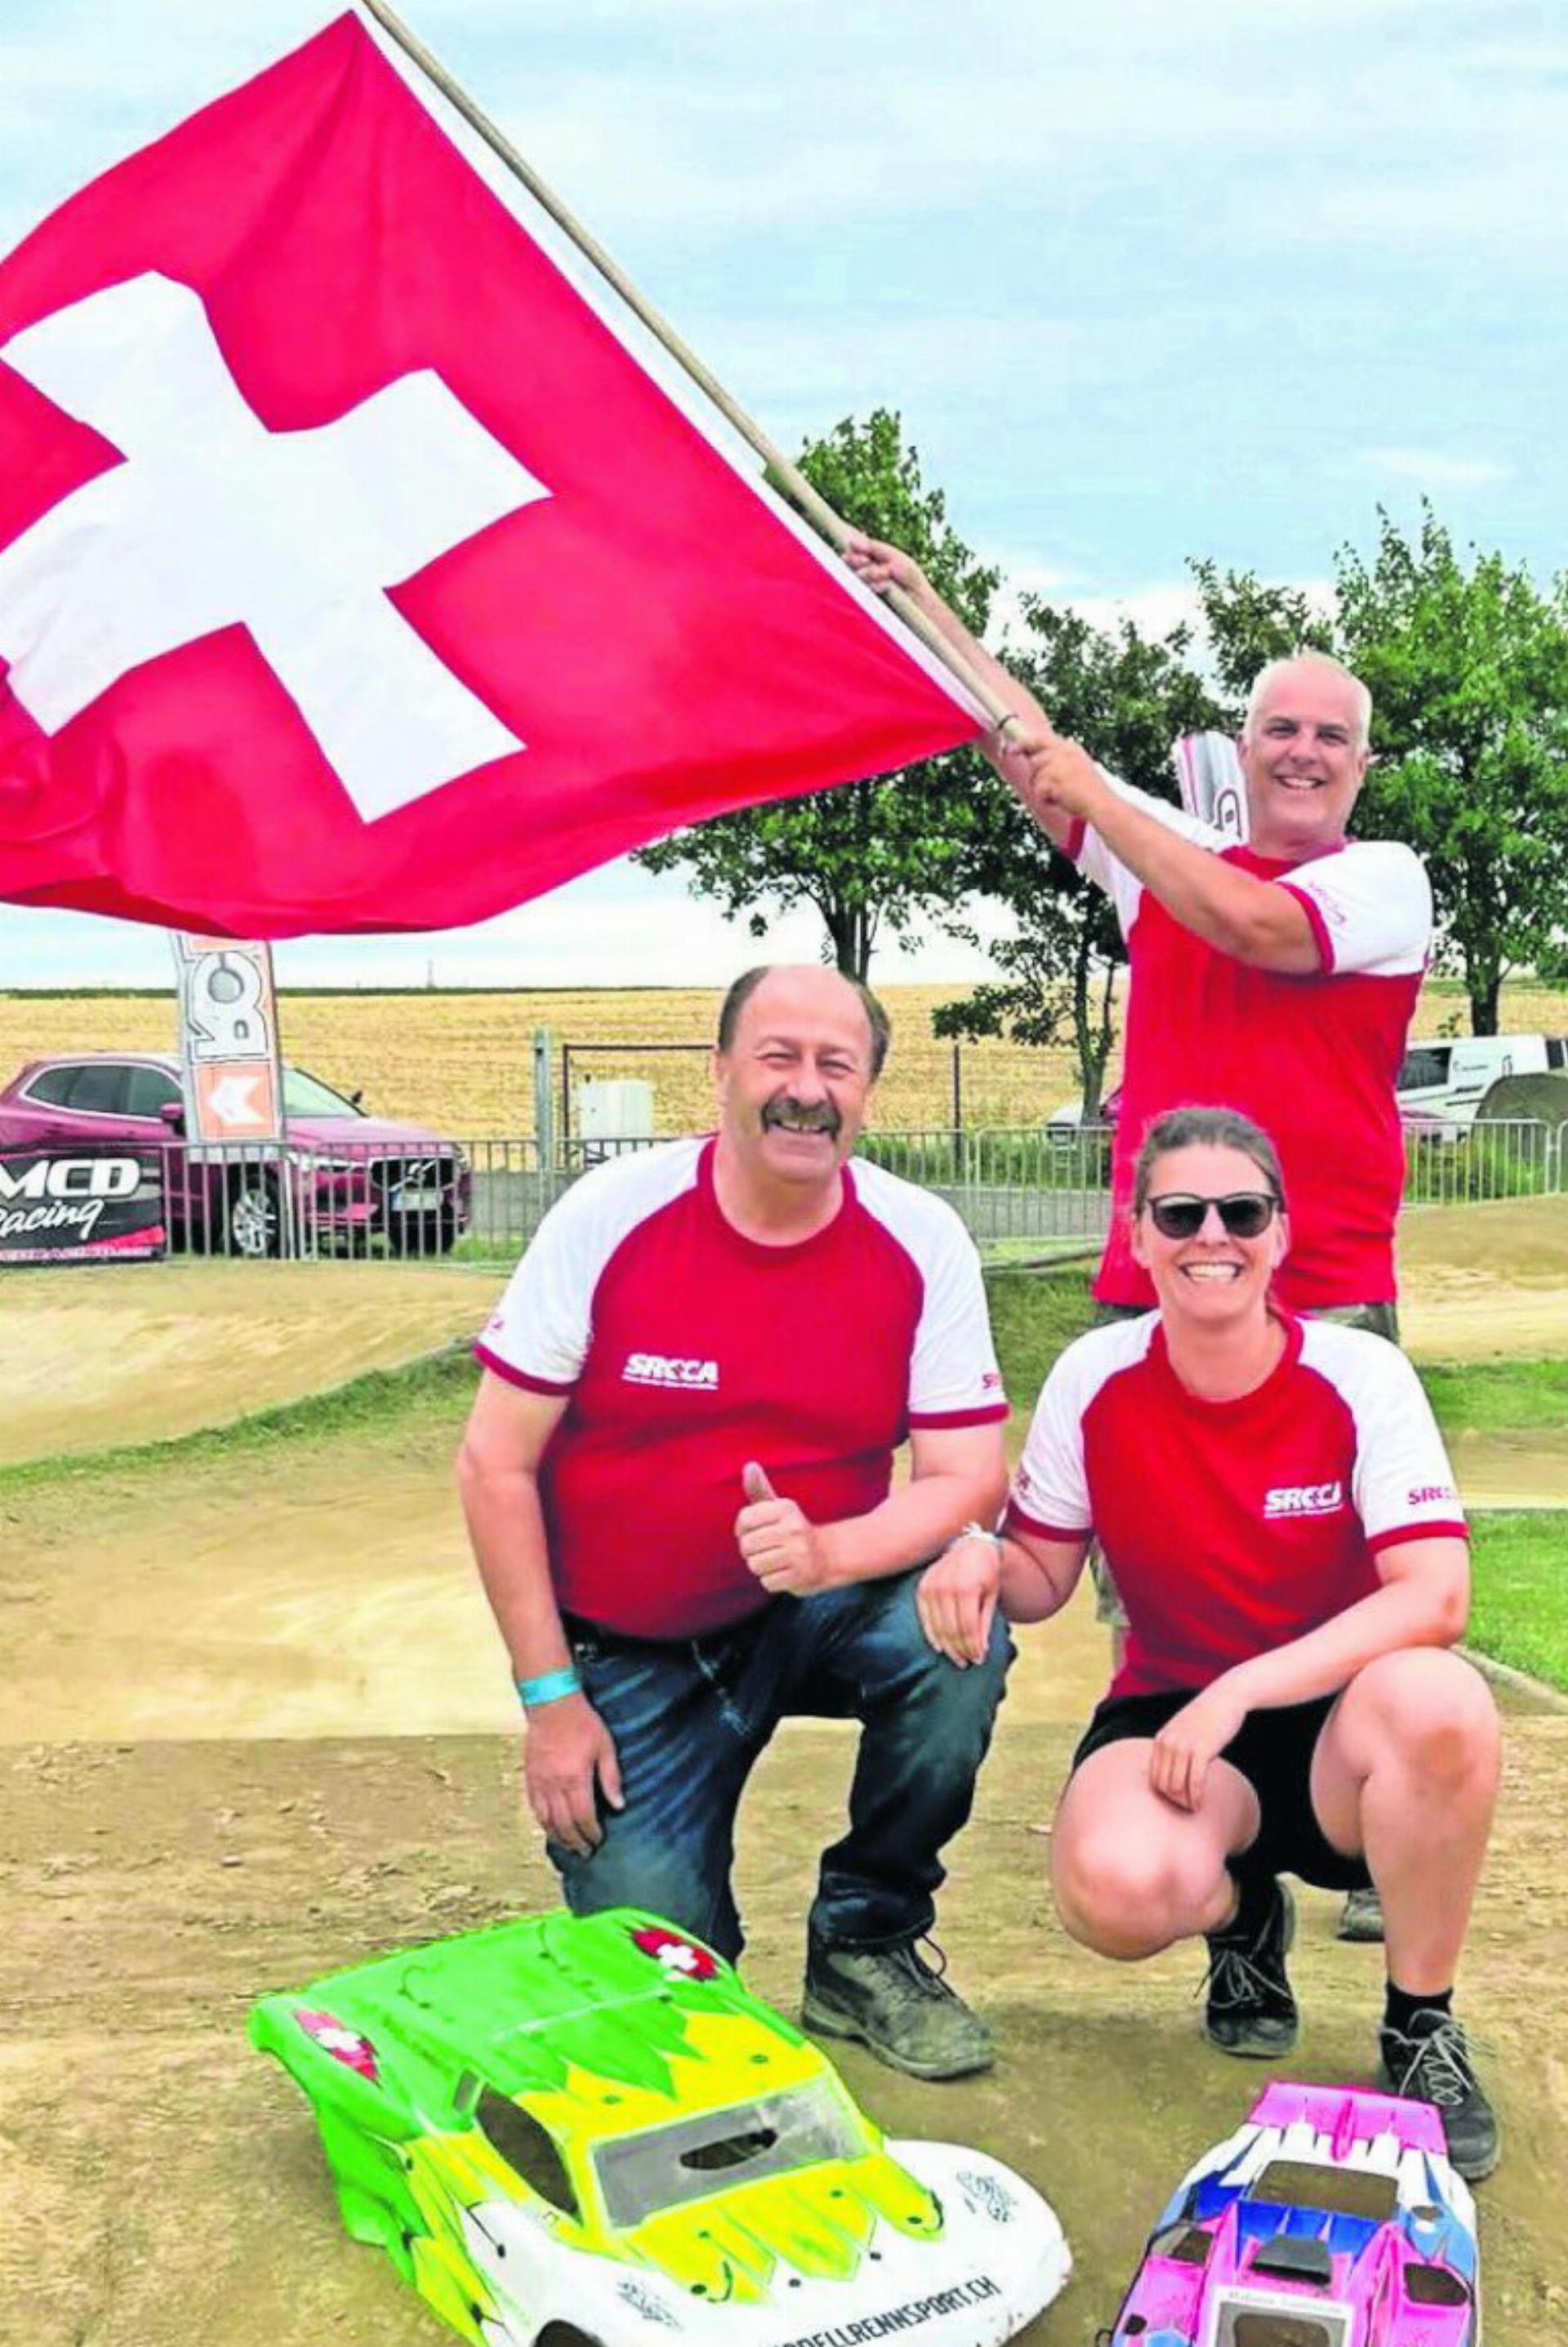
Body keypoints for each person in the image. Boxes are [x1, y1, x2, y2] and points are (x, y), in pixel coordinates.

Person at [848, 535, 1428, 1951]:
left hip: (1325, 1290)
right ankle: (1231, 1892)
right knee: (1161, 1594)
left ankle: (1355, 1819)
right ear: (1246, 744)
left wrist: (1102, 800)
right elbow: (1026, 749)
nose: (1303, 752)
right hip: (1155, 1283)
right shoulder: (1157, 860)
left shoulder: (1382, 881)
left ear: (1360, 767)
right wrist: (925, 610)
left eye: (1330, 736)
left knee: (1354, 1578)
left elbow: (1253, 921)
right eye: (1280, 728)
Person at [915, 1105, 1501, 2178]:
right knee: (1113, 1888)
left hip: (1342, 1729)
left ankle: (1420, 2021)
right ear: (1137, 1236)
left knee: (1444, 1699)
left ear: (1282, 1233)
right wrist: (977, 1555)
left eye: (1243, 1211)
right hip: (1174, 1719)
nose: (1213, 1235)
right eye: (1181, 1214)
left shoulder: (1360, 1375)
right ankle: (1243, 1919)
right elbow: (1042, 1576)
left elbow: (1436, 1596)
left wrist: (1241, 1690)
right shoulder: (1094, 1377)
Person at [457, 962, 1012, 2079]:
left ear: (868, 1090)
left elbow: (966, 1473)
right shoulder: (612, 1216)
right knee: (672, 1993)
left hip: (817, 1608)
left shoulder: (921, 1238)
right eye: (778, 1057)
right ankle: (692, 1941)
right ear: (719, 1072)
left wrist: (832, 1552)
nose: (807, 1090)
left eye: (837, 1065)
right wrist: (552, 1702)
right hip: (632, 1649)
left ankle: (866, 1939)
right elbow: (492, 1464)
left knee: (961, 1635)